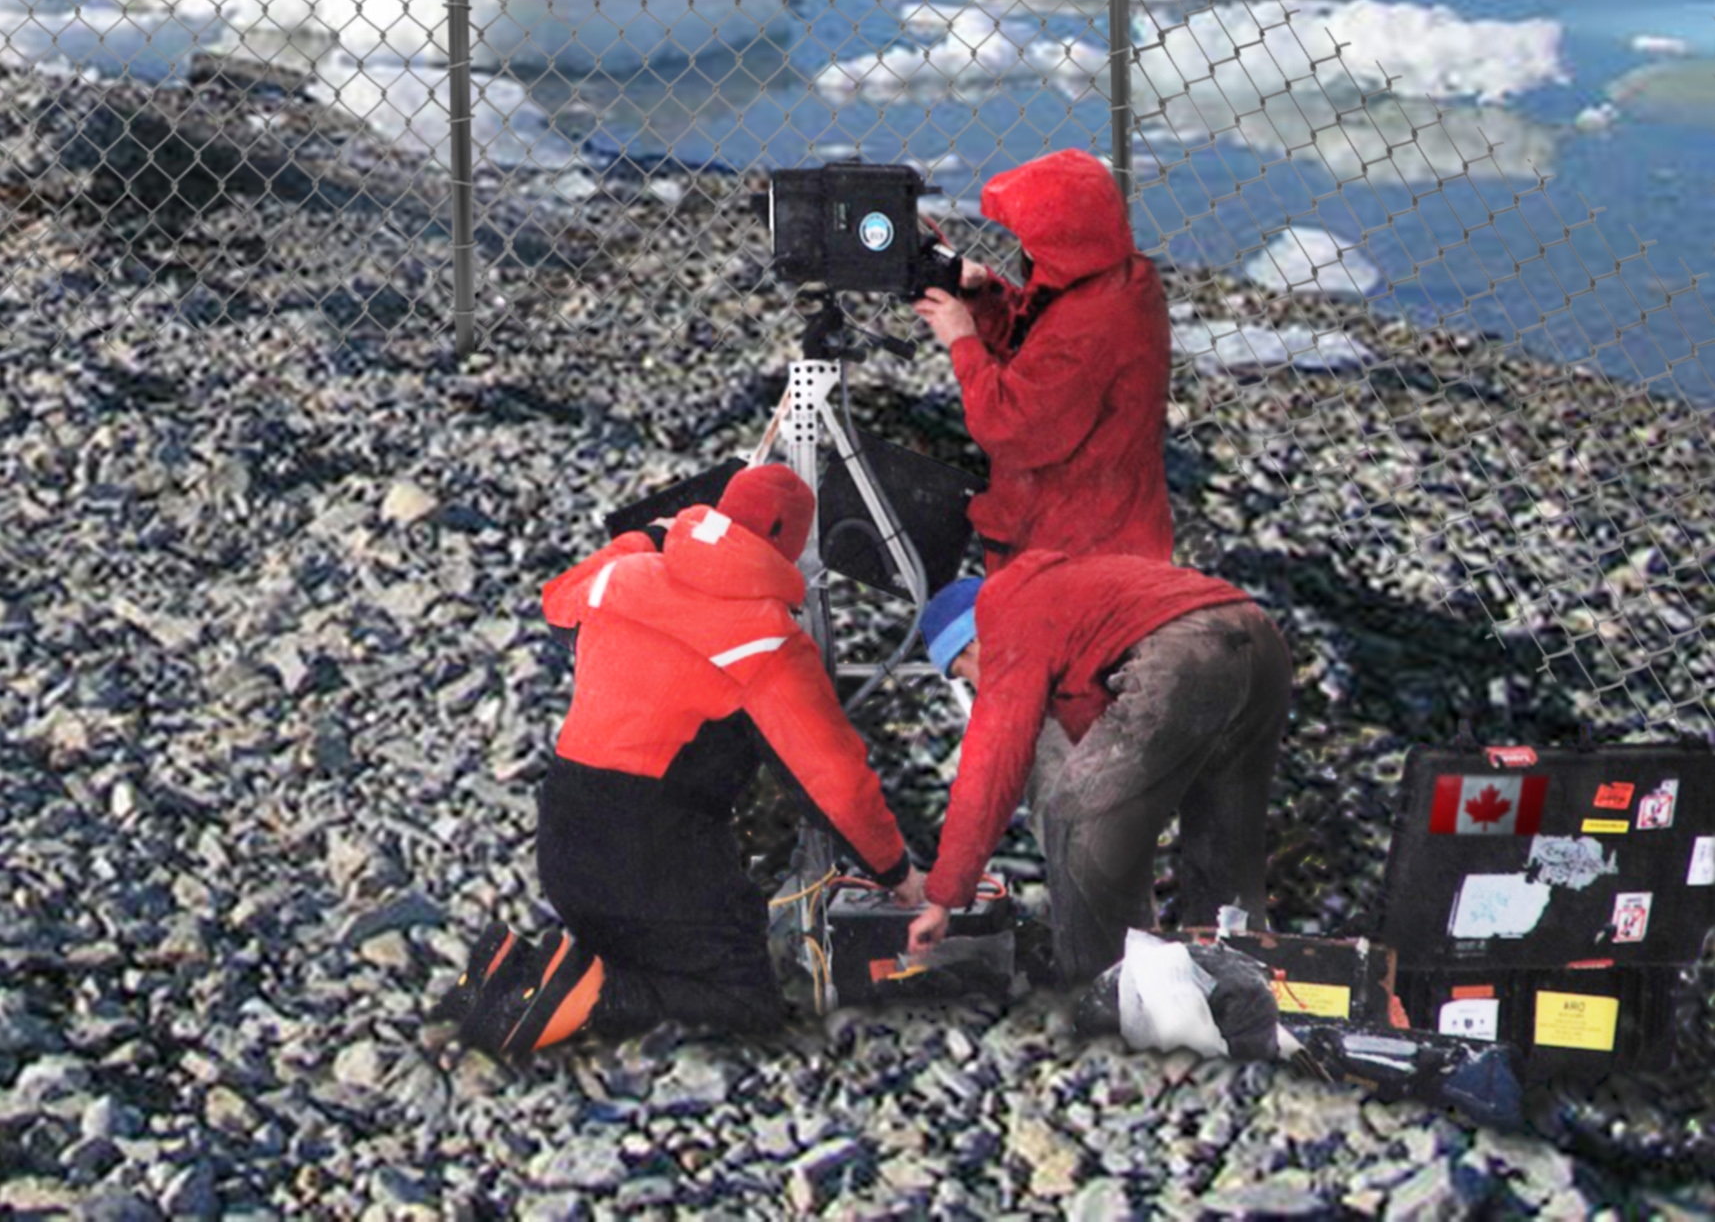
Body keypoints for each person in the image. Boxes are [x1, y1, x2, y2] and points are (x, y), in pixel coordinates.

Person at [448, 465, 917, 1060]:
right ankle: (563, 991)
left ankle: (541, 973)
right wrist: (897, 874)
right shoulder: (768, 640)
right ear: (791, 546)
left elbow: (558, 597)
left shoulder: (621, 576)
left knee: (650, 951)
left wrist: (654, 534)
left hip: (563, 836)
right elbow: (836, 784)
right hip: (650, 854)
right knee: (744, 1002)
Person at [906, 552, 1291, 987]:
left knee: (1075, 816)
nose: (976, 687)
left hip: (1184, 653)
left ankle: (1102, 987)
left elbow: (989, 771)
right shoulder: (1061, 602)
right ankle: (1239, 986)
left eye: (963, 673)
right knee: (1222, 833)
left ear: (972, 643)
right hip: (1257, 638)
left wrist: (944, 897)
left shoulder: (1005, 627)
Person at [911, 148, 1176, 565]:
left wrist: (962, 340)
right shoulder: (1118, 281)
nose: (1024, 248)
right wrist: (985, 297)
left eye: (1031, 240)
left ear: (1057, 244)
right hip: (1113, 524)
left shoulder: (1089, 324)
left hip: (1066, 548)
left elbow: (1012, 430)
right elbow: (1041, 342)